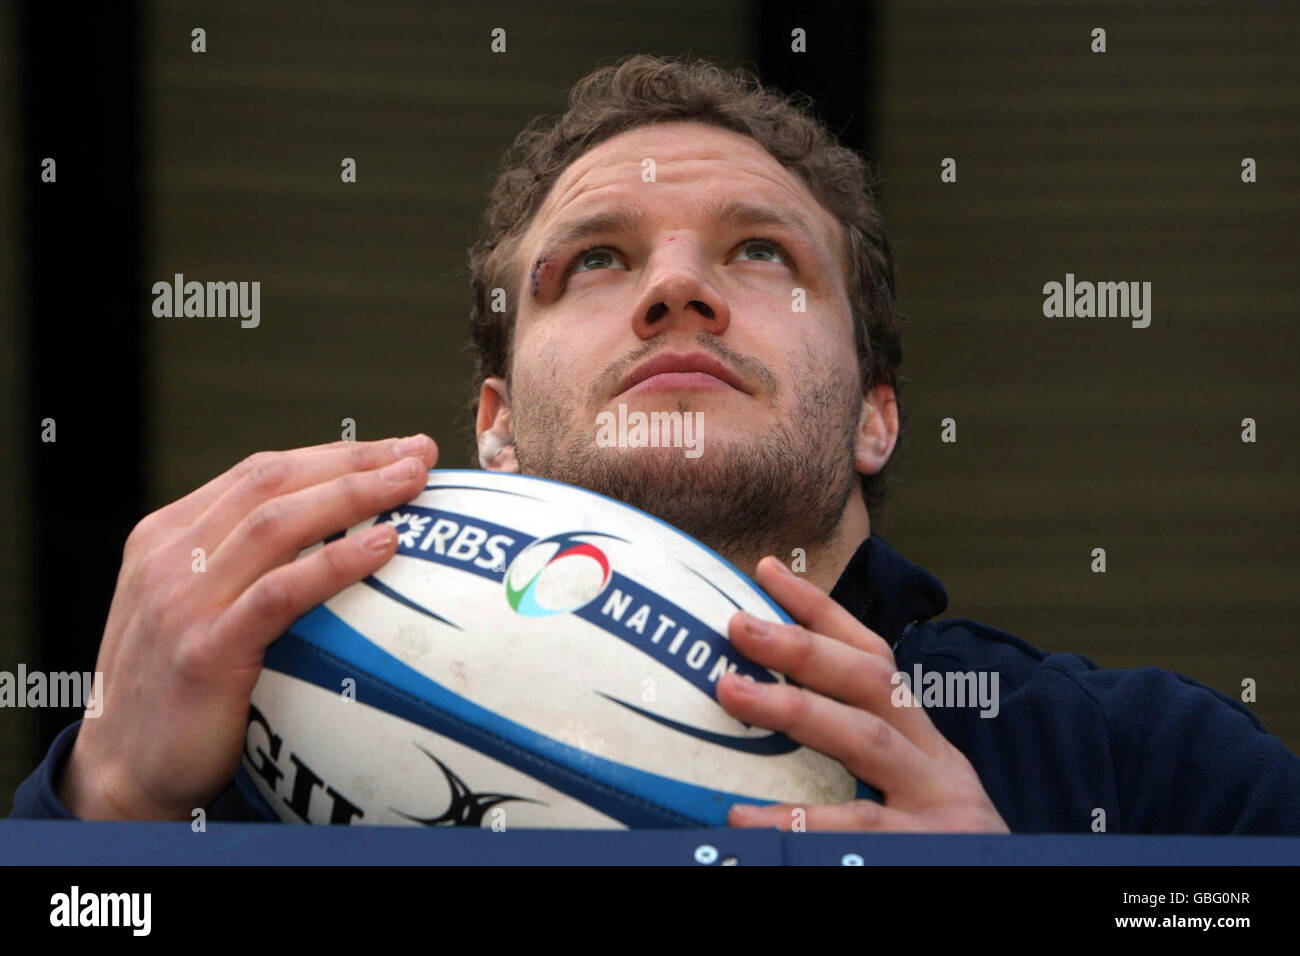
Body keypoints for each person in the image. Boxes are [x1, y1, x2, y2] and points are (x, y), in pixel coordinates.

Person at [13, 55, 1300, 832]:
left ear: (875, 409)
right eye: (594, 261)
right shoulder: (251, 755)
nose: (674, 288)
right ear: (495, 423)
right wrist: (100, 808)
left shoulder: (1141, 769)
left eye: (759, 250)